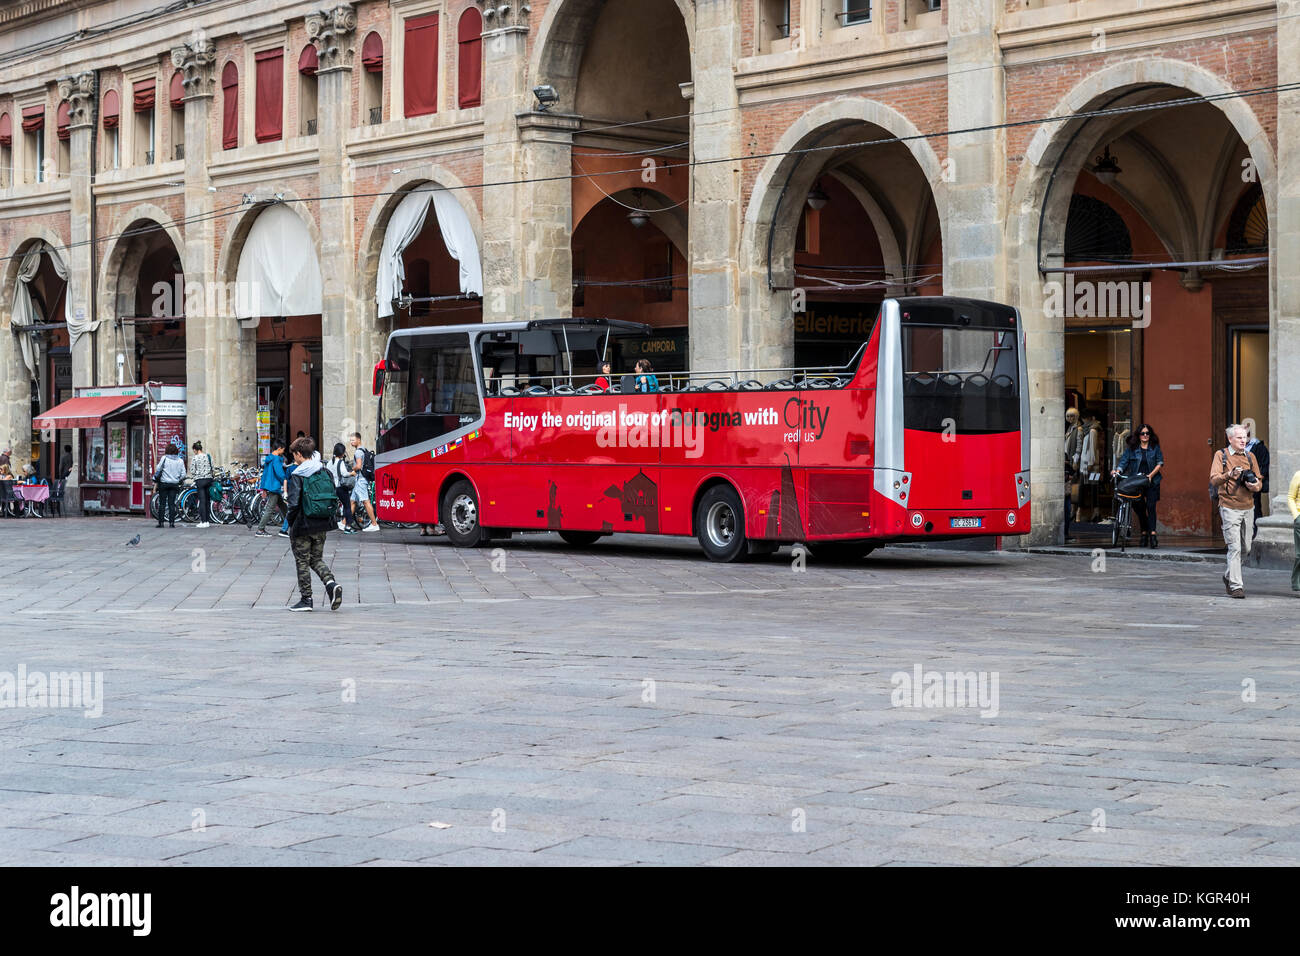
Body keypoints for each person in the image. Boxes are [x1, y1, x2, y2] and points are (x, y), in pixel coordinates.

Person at [284, 436, 342, 612]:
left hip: (303, 524)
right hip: (322, 523)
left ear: (299, 454)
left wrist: (290, 523)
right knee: (316, 559)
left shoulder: (298, 474)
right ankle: (331, 584)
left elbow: (293, 504)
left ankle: (306, 599)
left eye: (294, 455)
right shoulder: (324, 471)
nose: (294, 458)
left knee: (302, 561)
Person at [1209, 423, 1264, 599]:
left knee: (1246, 548)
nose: (1243, 440)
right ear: (1230, 439)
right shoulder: (1221, 455)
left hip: (1248, 507)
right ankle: (1236, 586)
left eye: (1245, 437)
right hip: (1229, 506)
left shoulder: (1250, 456)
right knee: (1234, 548)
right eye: (1239, 437)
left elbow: (1259, 481)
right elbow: (1214, 480)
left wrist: (1254, 485)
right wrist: (1229, 475)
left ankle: (1228, 576)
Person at [1112, 424, 1164, 548]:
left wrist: (1150, 475)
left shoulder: (1154, 447)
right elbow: (1123, 462)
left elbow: (1160, 463)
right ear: (1138, 435)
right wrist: (1117, 471)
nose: (1145, 435)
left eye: (1147, 433)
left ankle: (1152, 534)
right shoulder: (1132, 449)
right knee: (1140, 509)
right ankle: (1144, 532)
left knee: (1151, 507)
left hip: (1152, 482)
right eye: (1143, 433)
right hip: (1136, 483)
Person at [254, 440, 289, 537]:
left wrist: (263, 488)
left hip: (270, 486)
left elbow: (264, 475)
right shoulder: (276, 459)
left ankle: (289, 524)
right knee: (270, 508)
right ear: (279, 448)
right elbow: (280, 474)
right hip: (275, 487)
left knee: (283, 507)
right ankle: (260, 529)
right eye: (283, 450)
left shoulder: (268, 459)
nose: (283, 451)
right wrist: (286, 481)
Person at [349, 432, 379, 532]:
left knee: (365, 501)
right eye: (350, 440)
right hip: (362, 479)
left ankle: (374, 524)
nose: (351, 442)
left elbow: (358, 466)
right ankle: (345, 523)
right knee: (352, 501)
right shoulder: (364, 449)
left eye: (353, 440)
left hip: (360, 480)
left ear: (358, 440)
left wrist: (352, 469)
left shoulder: (358, 452)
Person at [153, 442, 186, 528]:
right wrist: (177, 479)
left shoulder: (164, 458)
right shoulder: (180, 460)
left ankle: (161, 523)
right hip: (174, 484)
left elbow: (158, 469)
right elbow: (183, 474)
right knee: (172, 504)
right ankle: (172, 523)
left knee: (162, 503)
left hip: (164, 483)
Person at [328, 442, 357, 533]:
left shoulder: (329, 462)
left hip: (332, 487)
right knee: (347, 506)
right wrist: (352, 473)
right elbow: (344, 473)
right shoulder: (340, 462)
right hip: (340, 487)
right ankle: (348, 527)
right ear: (342, 453)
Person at [1245, 432, 1270, 534]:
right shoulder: (1231, 449)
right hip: (1238, 488)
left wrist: (1257, 481)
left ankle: (1255, 534)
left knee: (1255, 508)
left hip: (1253, 485)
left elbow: (1264, 467)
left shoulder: (1259, 447)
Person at [189, 440, 215, 529]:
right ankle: (207, 521)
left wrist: (196, 474)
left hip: (200, 480)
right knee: (207, 501)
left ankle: (203, 521)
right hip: (208, 479)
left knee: (202, 501)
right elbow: (213, 467)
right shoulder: (208, 456)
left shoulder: (195, 458)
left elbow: (192, 470)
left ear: (195, 450)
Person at [1289, 466, 1300, 595]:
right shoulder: (1298, 475)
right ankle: (1296, 583)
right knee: (1299, 555)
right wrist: (1296, 516)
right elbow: (1290, 497)